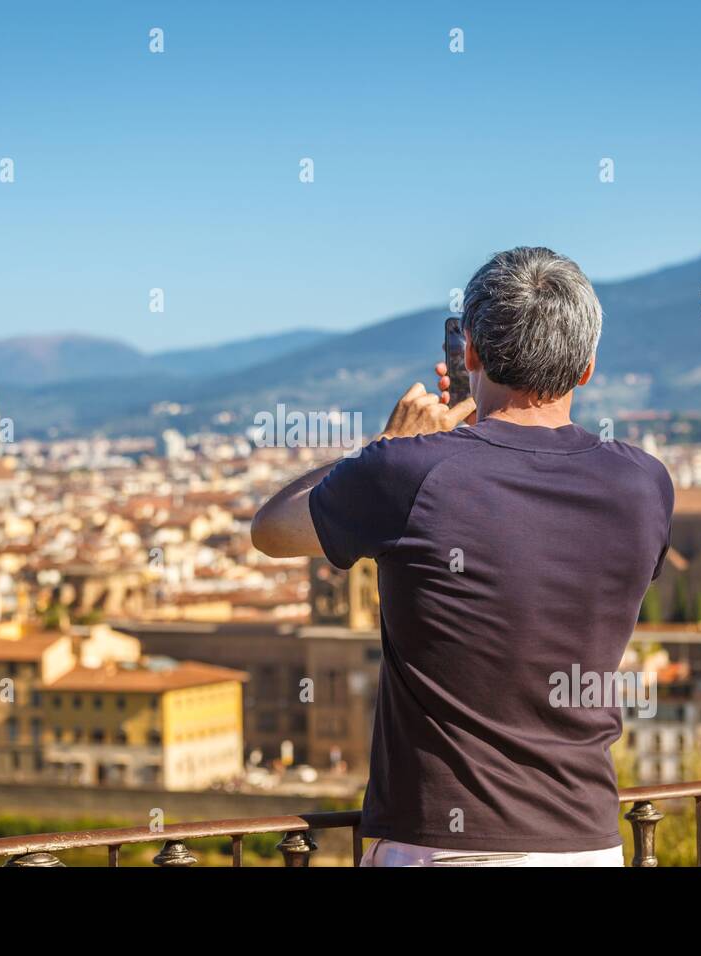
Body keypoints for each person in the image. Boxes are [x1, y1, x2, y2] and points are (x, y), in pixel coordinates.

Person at [251, 246, 674, 866]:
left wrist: (388, 446)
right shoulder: (644, 484)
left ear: (470, 353)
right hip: (588, 841)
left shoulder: (408, 472)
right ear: (586, 368)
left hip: (444, 846)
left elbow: (271, 530)